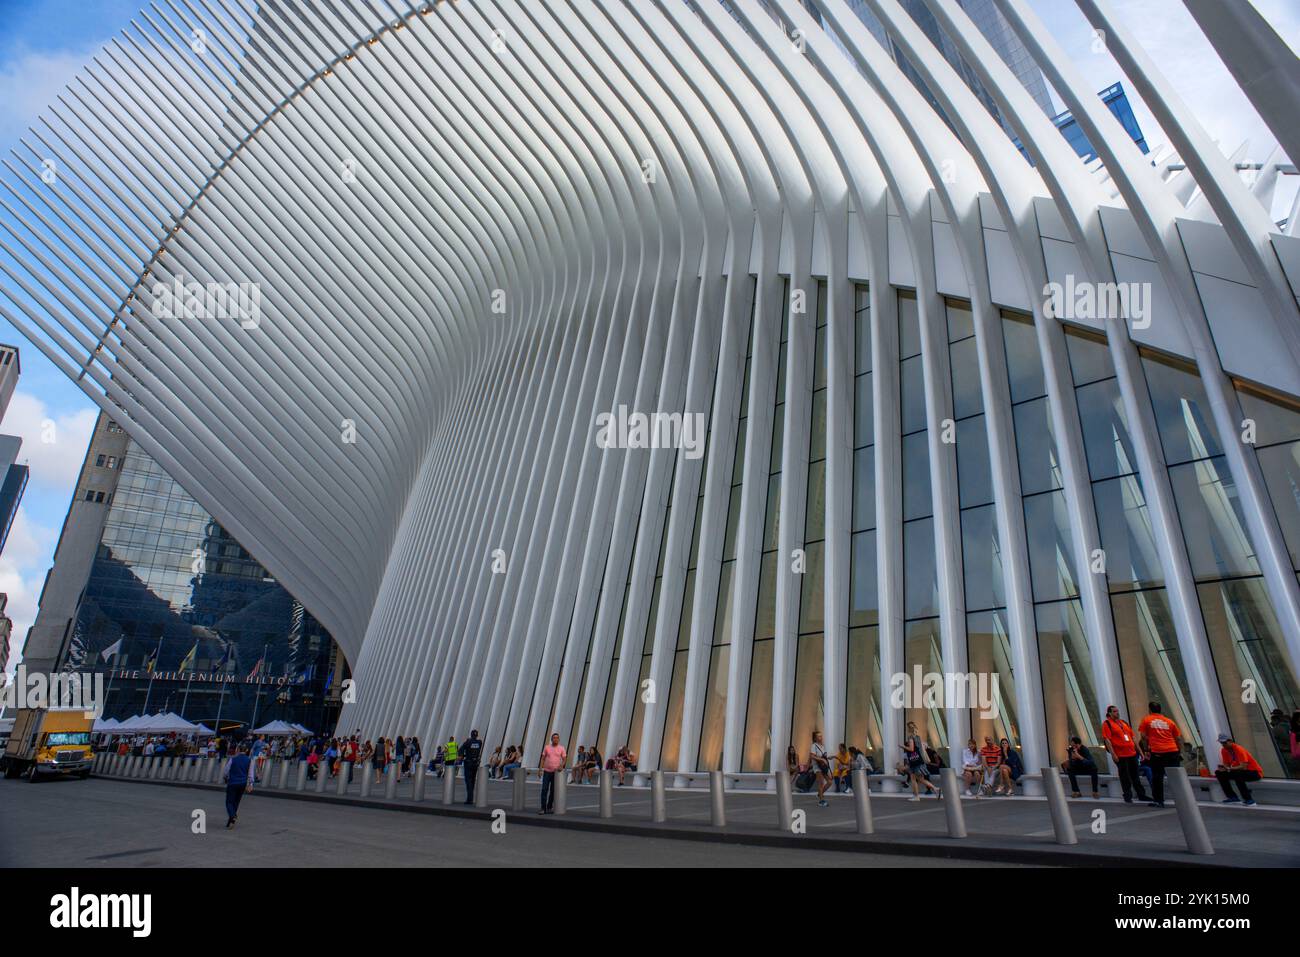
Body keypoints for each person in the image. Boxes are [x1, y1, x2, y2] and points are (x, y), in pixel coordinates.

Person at [1137, 702, 1183, 808]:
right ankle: (1182, 799)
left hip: (1158, 752)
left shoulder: (1146, 720)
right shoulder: (1169, 721)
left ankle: (1159, 801)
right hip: (1172, 751)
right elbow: (1178, 738)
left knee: (1157, 777)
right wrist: (1178, 751)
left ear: (1150, 710)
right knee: (1176, 777)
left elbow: (1143, 736)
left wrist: (1146, 750)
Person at [1101, 705, 1149, 803]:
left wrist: (1140, 751)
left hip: (1132, 753)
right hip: (1121, 755)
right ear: (1109, 713)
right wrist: (1113, 754)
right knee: (1124, 776)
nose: (1117, 713)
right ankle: (1127, 795)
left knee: (1135, 775)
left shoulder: (1123, 723)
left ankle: (1141, 795)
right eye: (1114, 711)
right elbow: (1107, 740)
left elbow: (1133, 738)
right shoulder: (1107, 724)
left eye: (1117, 711)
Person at [1215, 733, 1263, 806]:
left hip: (1254, 772)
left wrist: (1230, 768)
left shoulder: (1238, 749)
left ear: (1230, 741)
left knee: (1238, 774)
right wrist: (1225, 768)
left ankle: (1249, 799)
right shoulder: (1224, 750)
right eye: (1222, 743)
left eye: (1225, 743)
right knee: (1219, 773)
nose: (1223, 745)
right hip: (1238, 771)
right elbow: (1226, 763)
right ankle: (1232, 797)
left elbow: (1244, 766)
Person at [902, 722, 940, 801]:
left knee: (913, 778)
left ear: (909, 729)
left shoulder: (910, 737)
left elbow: (911, 749)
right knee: (920, 779)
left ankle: (916, 796)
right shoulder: (918, 737)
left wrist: (903, 746)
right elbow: (920, 750)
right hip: (919, 760)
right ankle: (935, 788)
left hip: (914, 761)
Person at [222, 745, 253, 829]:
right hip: (242, 783)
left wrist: (225, 777)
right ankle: (231, 820)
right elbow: (250, 773)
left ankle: (232, 815)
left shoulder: (233, 759)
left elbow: (226, 771)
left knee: (229, 801)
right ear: (246, 750)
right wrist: (250, 784)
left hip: (232, 782)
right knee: (236, 802)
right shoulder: (249, 760)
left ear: (238, 750)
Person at [539, 732, 566, 814]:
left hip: (556, 773)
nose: (556, 739)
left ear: (559, 739)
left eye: (557, 738)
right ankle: (543, 808)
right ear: (551, 739)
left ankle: (549, 806)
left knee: (553, 791)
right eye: (554, 738)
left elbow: (564, 759)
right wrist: (540, 769)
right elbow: (543, 759)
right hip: (547, 771)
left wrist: (561, 765)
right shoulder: (547, 747)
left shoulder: (561, 748)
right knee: (544, 789)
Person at [810, 730, 833, 807]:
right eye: (819, 736)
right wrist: (822, 759)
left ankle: (820, 794)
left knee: (829, 781)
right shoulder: (814, 746)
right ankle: (821, 801)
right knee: (821, 783)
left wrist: (827, 758)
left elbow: (823, 756)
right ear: (815, 738)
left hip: (823, 767)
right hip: (817, 767)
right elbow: (812, 756)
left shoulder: (822, 746)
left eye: (821, 736)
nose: (821, 737)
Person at [461, 729, 484, 804]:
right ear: (477, 735)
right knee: (473, 781)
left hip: (468, 763)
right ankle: (470, 798)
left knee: (468, 781)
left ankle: (469, 799)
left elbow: (460, 751)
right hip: (475, 764)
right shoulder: (479, 742)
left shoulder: (468, 742)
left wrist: (463, 755)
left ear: (471, 735)